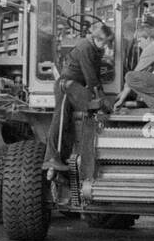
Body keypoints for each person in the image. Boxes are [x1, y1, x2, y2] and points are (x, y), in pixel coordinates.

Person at [43, 21, 113, 172]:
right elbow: (91, 77)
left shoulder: (95, 50)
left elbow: (95, 77)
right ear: (97, 39)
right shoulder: (85, 47)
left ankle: (61, 162)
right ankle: (51, 159)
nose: (106, 46)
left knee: (67, 122)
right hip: (67, 86)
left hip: (75, 86)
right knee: (60, 120)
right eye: (105, 43)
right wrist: (102, 99)